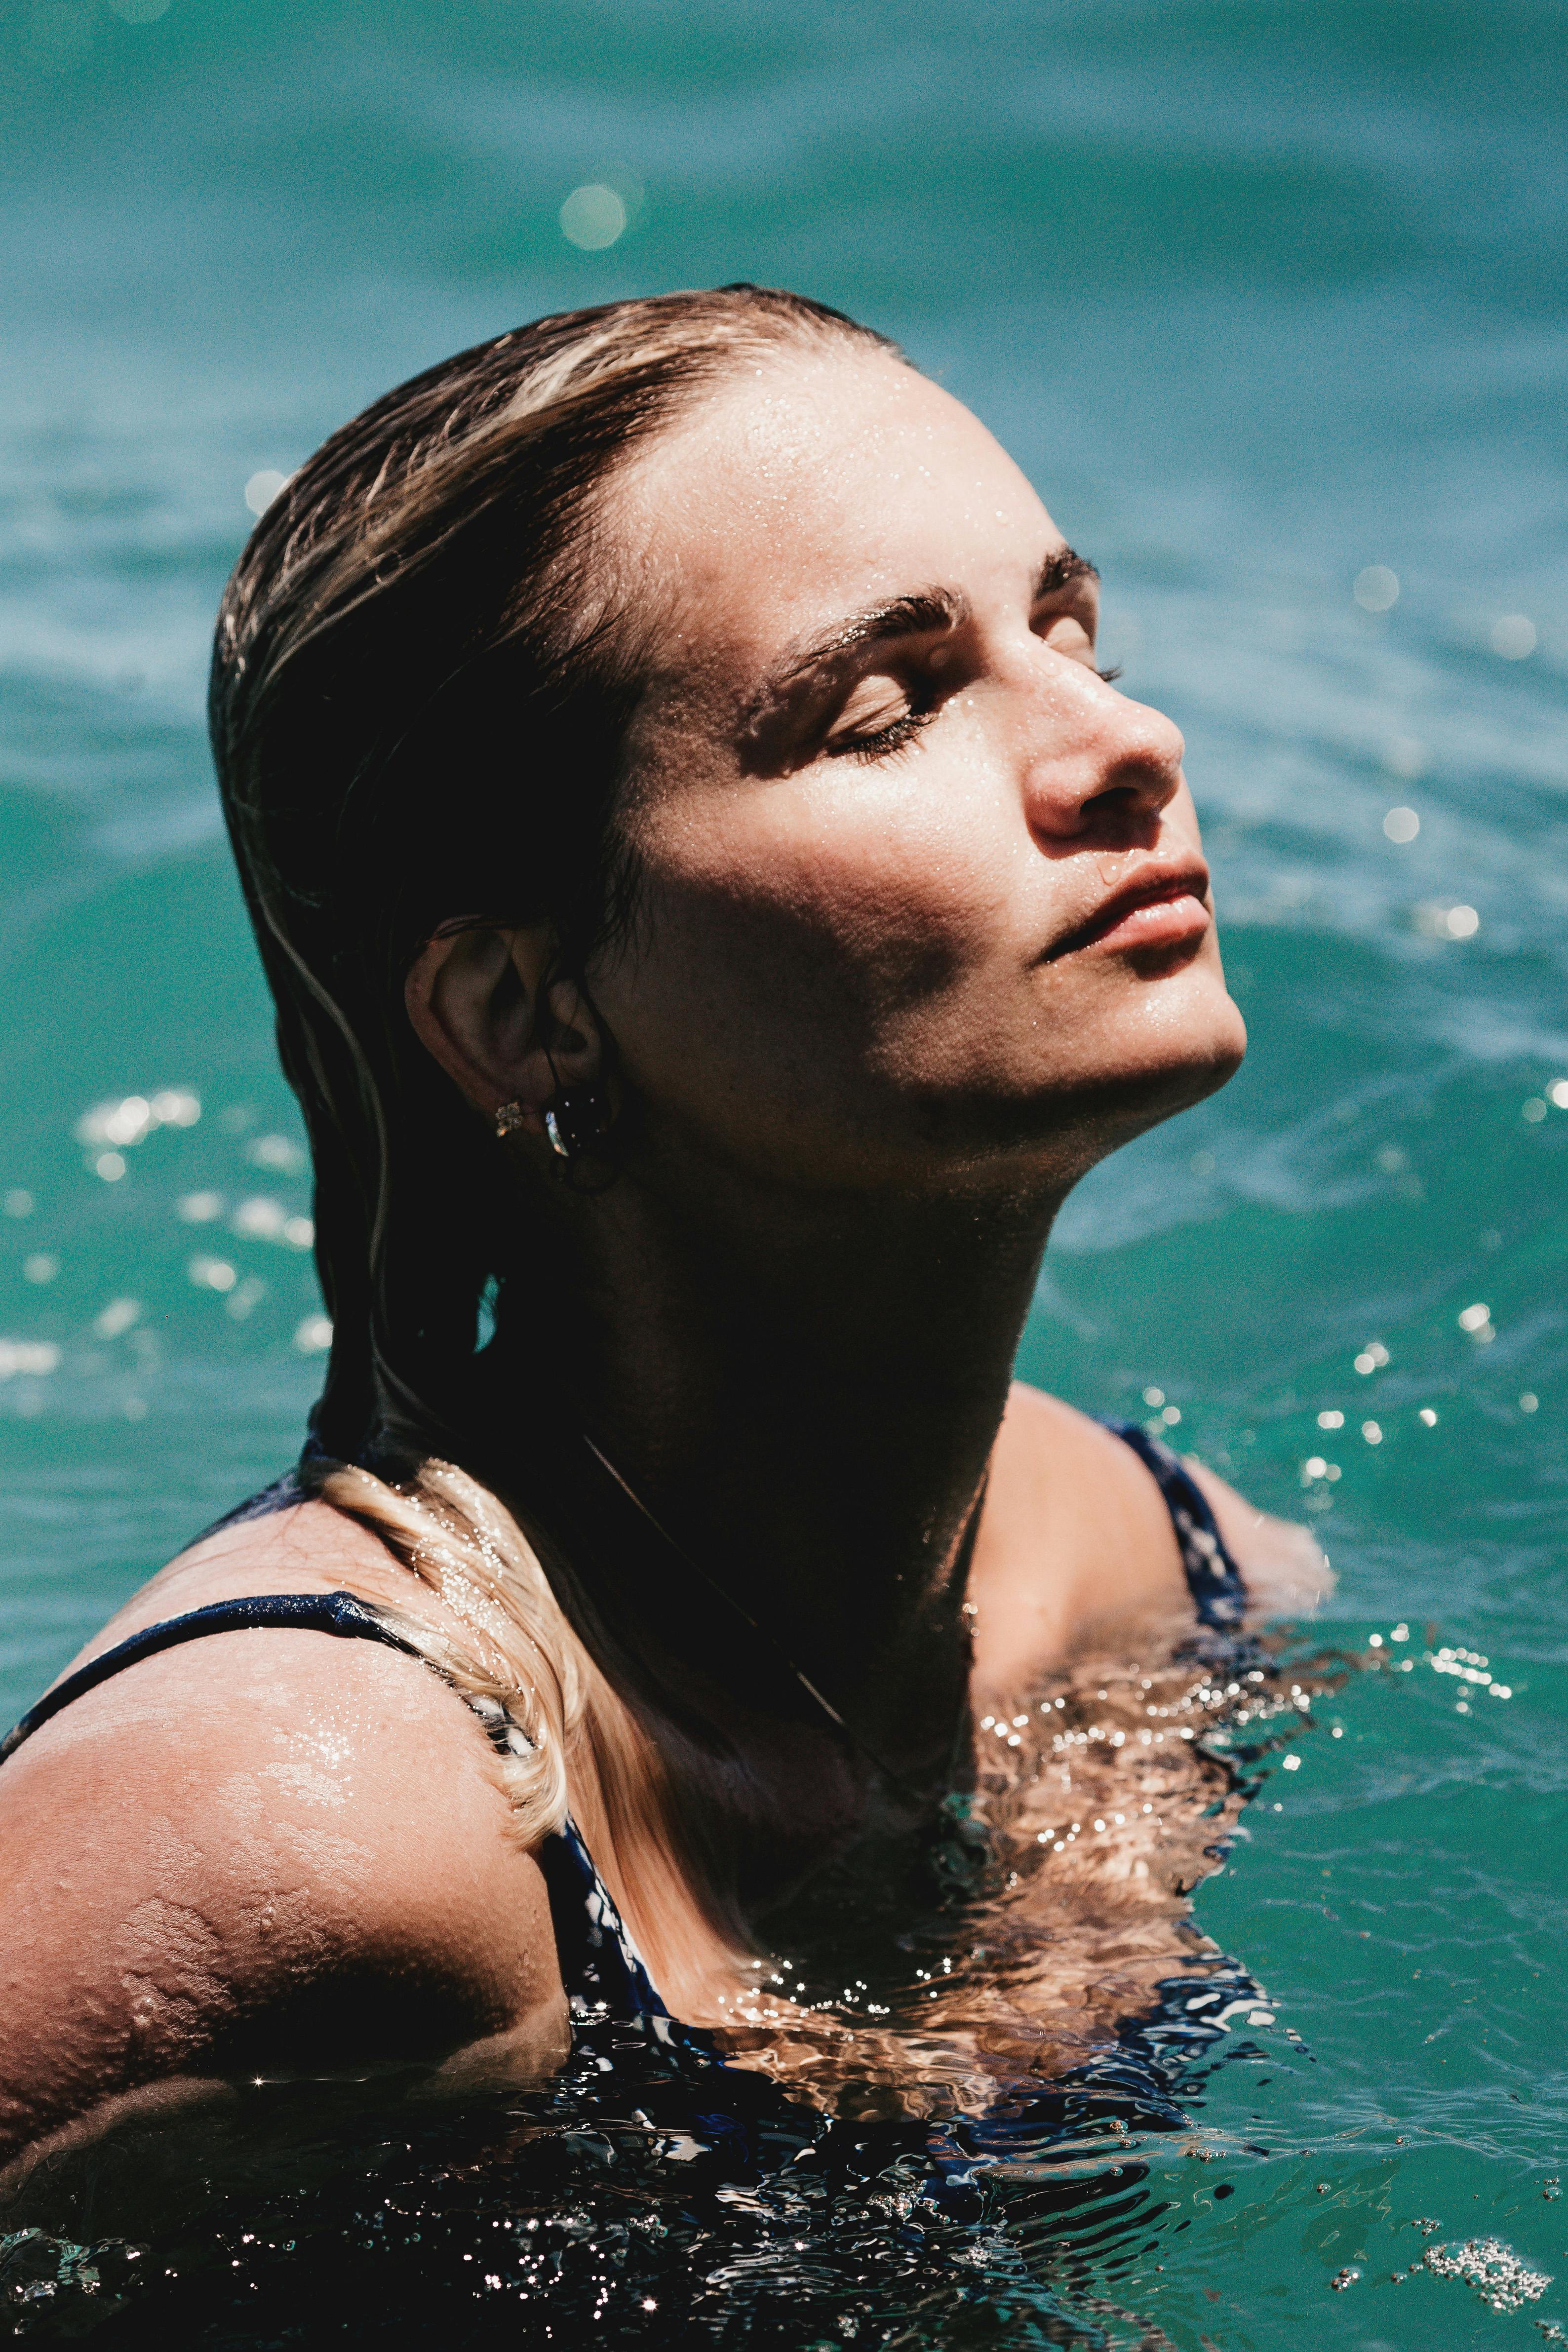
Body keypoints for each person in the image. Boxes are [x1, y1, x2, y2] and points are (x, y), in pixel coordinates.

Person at [0, 286, 1325, 2177]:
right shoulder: (312, 1816)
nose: (1126, 741)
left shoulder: (1174, 1577)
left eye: (1069, 630)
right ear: (522, 1012)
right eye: (887, 706)